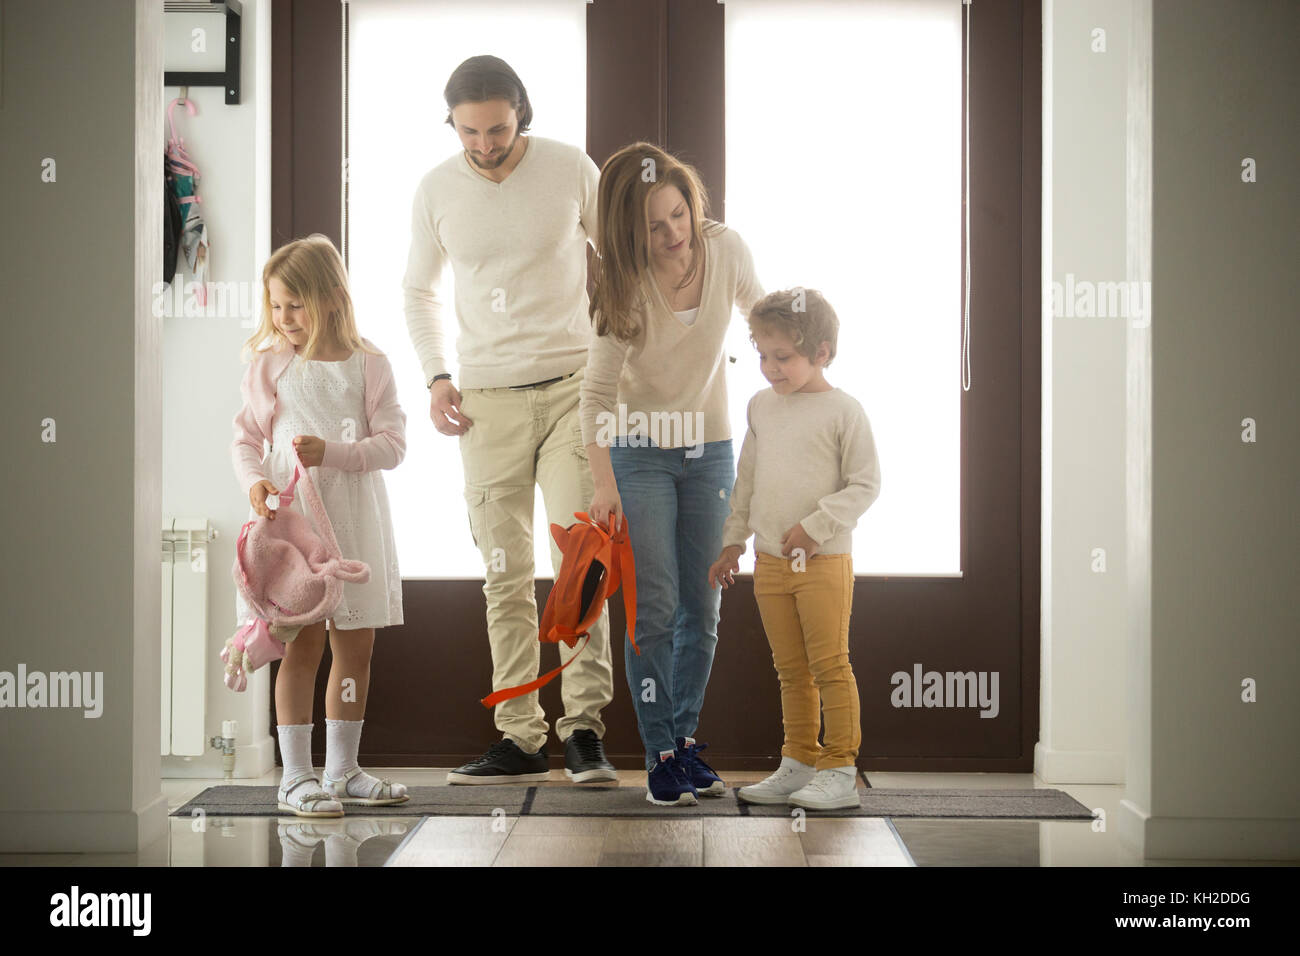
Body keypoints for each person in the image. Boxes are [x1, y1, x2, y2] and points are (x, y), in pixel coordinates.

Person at [402, 55, 616, 784]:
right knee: (504, 574)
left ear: (521, 113)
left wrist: (615, 361)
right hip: (485, 404)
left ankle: (584, 729)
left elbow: (616, 260)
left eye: (498, 128)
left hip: (572, 391)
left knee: (582, 565)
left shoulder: (568, 168)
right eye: (470, 131)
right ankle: (522, 737)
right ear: (452, 123)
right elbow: (417, 292)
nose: (486, 145)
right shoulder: (436, 189)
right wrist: (436, 375)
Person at [581, 143, 765, 805]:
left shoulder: (728, 252)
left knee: (704, 603)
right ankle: (657, 750)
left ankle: (685, 743)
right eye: (655, 227)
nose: (673, 235)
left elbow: (762, 314)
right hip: (638, 452)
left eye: (679, 216)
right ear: (631, 231)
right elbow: (596, 398)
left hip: (710, 450)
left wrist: (794, 378)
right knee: (653, 608)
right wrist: (604, 484)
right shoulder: (621, 285)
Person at [231, 234, 409, 817]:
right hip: (294, 532)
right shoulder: (270, 365)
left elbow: (392, 446)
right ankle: (296, 776)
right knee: (299, 647)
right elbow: (246, 439)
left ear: (333, 297)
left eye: (296, 305)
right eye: (276, 306)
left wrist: (332, 450)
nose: (284, 320)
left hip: (354, 523)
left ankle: (342, 770)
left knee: (355, 649)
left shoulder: (370, 365)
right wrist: (255, 482)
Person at [708, 288, 881, 810]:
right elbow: (748, 478)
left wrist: (815, 526)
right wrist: (732, 541)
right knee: (790, 671)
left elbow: (865, 484)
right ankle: (799, 763)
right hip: (769, 563)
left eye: (782, 357)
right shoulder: (761, 406)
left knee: (830, 664)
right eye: (762, 355)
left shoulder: (844, 411)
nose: (770, 368)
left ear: (821, 353)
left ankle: (839, 770)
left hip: (823, 561)